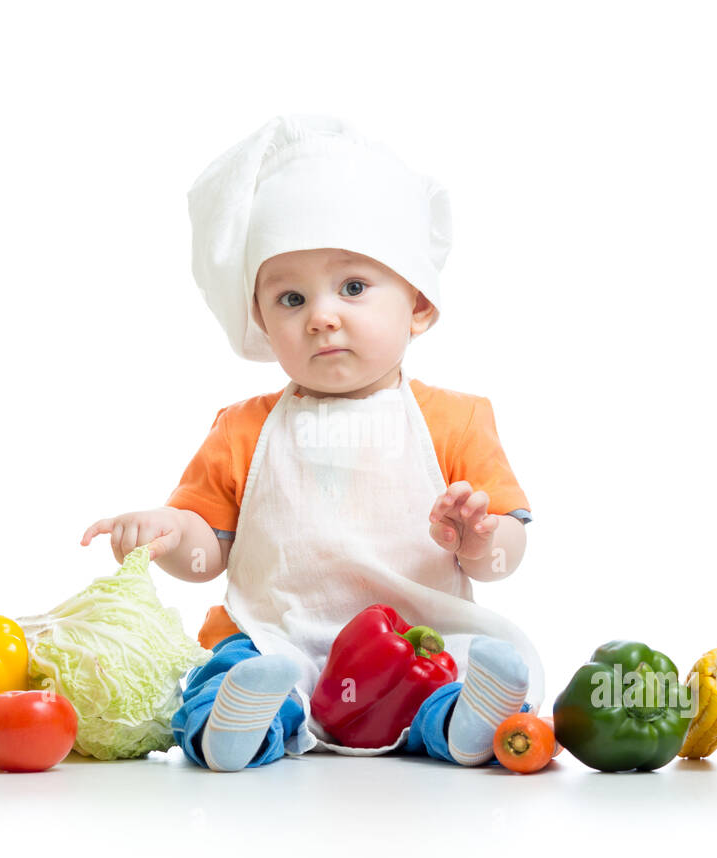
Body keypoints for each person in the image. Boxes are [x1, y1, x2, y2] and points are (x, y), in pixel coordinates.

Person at [81, 114, 544, 771]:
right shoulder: (242, 427)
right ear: (264, 326)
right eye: (291, 298)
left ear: (417, 304)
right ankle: (239, 725)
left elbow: (508, 550)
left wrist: (478, 538)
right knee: (233, 669)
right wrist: (165, 533)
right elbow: (206, 556)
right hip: (278, 639)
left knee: (456, 673)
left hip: (416, 645)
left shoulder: (459, 420)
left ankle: (465, 724)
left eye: (354, 287)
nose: (321, 315)